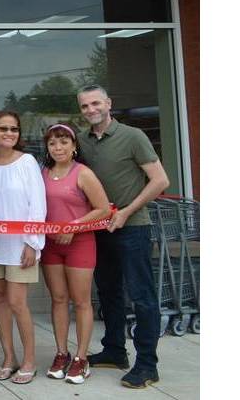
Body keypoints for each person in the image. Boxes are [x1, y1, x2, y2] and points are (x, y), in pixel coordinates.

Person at [76, 85, 170, 389]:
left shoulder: (133, 137)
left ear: (108, 104)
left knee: (141, 296)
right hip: (100, 228)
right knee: (108, 292)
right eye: (84, 106)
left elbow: (160, 181)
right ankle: (115, 350)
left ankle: (147, 364)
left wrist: (127, 212)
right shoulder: (82, 140)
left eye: (95, 103)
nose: (90, 110)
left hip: (132, 227)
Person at [39, 124, 111, 384]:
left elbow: (103, 208)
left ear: (74, 146)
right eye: (52, 144)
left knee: (81, 301)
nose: (58, 148)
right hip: (51, 245)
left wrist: (74, 225)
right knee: (58, 299)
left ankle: (81, 358)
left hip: (79, 243)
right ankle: (62, 353)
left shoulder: (83, 173)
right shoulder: (43, 172)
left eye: (63, 142)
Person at [0, 110, 46, 384]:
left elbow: (37, 205)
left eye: (14, 129)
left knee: (18, 302)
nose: (9, 133)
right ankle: (9, 358)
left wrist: (32, 243)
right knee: (0, 300)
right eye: (3, 128)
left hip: (21, 246)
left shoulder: (28, 162)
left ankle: (29, 360)